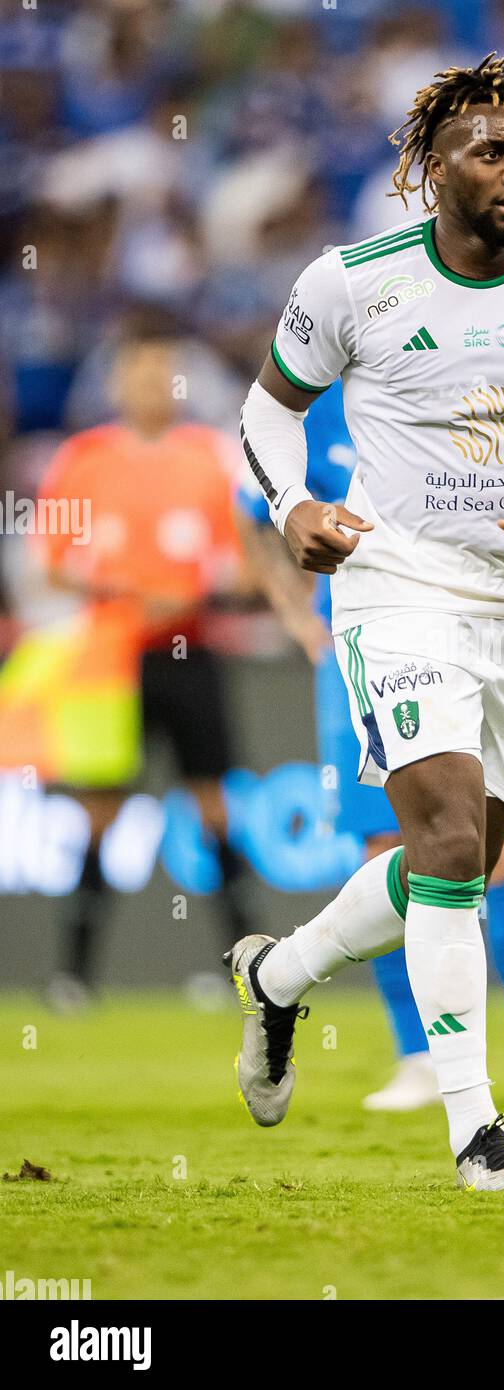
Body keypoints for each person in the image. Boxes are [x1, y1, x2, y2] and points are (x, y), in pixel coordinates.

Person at [230, 53, 504, 1192]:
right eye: (492, 151)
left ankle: (278, 978)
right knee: (458, 844)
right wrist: (293, 504)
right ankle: (478, 1129)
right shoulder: (352, 283)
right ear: (429, 169)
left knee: (441, 866)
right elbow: (266, 412)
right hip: (393, 583)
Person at [235, 377, 504, 1114]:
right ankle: (416, 1060)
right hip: (367, 641)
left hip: (478, 640)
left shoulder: (488, 390)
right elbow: (252, 512)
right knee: (388, 848)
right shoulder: (317, 411)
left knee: (497, 850)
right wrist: (297, 619)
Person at [36, 317, 251, 1007]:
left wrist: (187, 594)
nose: (153, 385)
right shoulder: (84, 460)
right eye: (139, 372)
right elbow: (53, 566)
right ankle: (75, 977)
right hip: (111, 664)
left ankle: (241, 967)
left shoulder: (210, 459)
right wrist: (131, 594)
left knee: (214, 808)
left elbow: (244, 570)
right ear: (119, 380)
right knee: (99, 811)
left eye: (164, 372)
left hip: (191, 658)